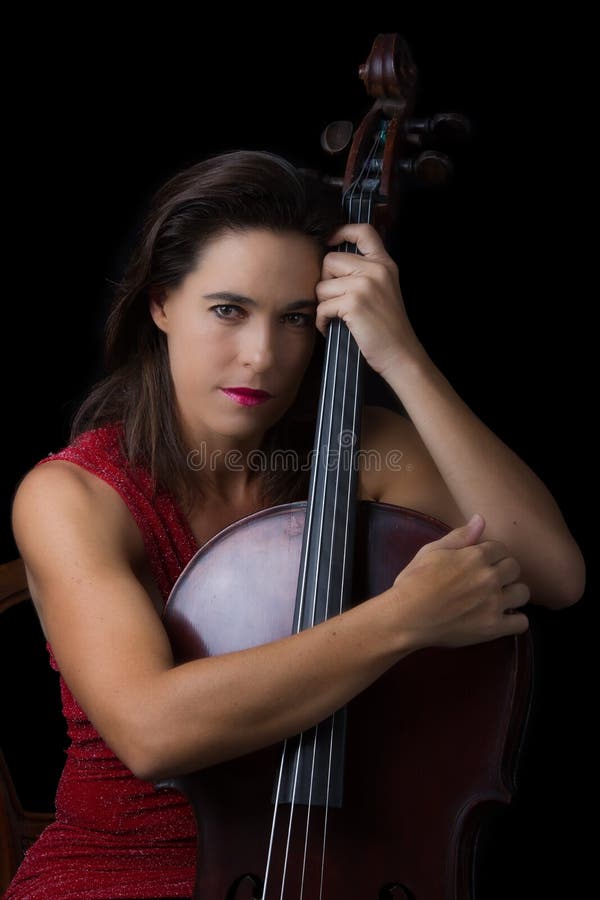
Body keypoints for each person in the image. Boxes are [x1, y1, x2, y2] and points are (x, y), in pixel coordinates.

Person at [5, 149, 585, 899]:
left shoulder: (351, 447)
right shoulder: (72, 495)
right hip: (123, 876)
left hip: (339, 870)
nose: (261, 357)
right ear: (159, 305)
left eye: (296, 320)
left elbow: (554, 574)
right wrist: (403, 619)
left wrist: (399, 353)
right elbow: (154, 733)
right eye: (227, 310)